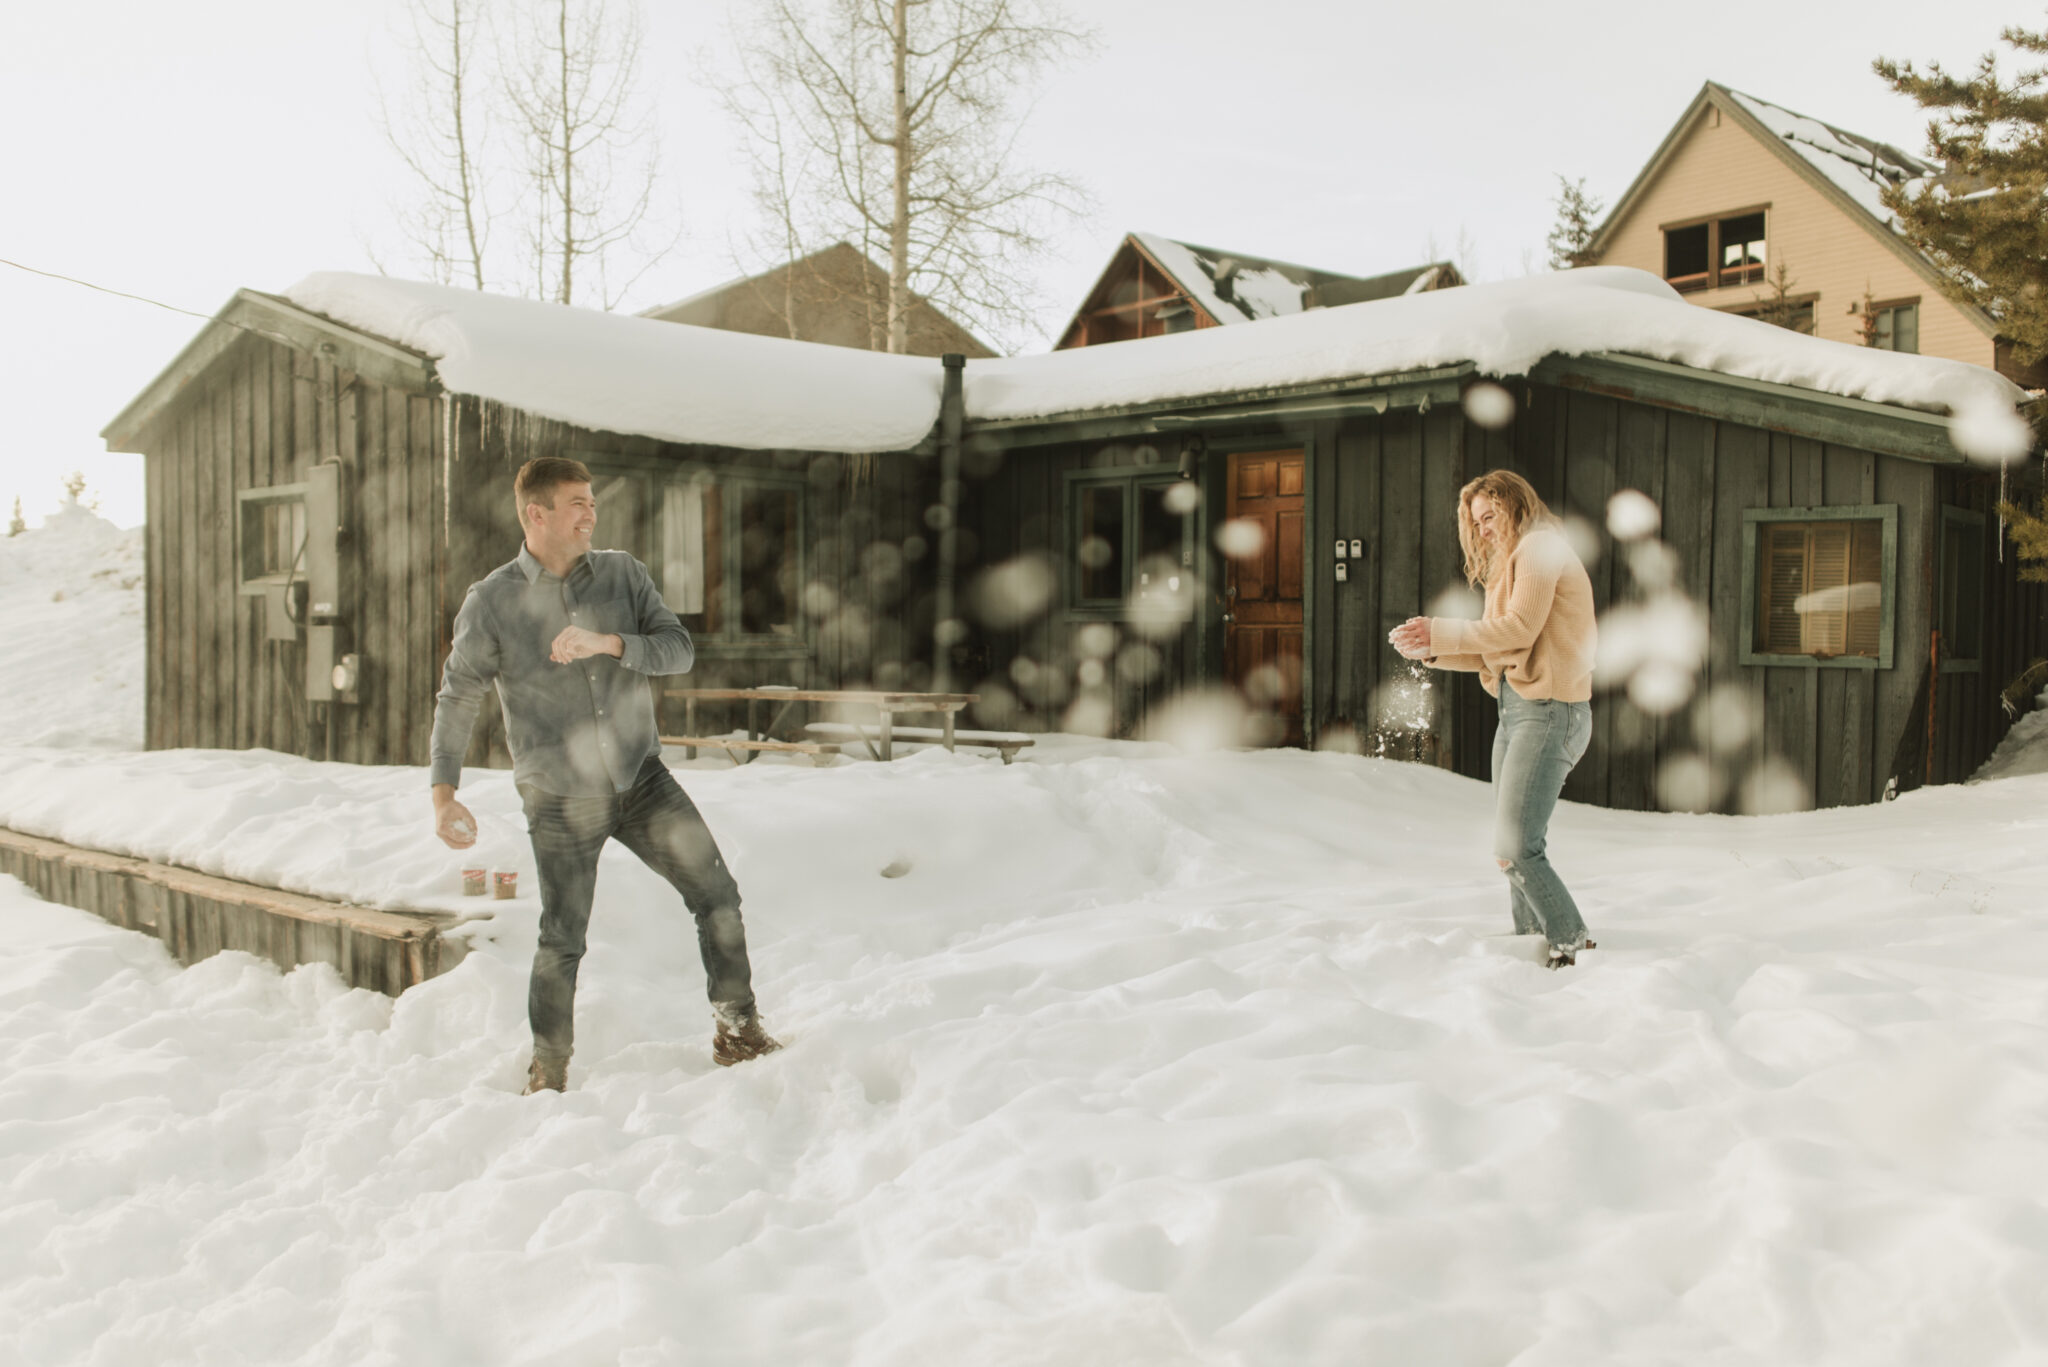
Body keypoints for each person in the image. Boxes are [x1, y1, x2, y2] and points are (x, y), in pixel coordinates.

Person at [429, 456, 781, 1092]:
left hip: (640, 779)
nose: (590, 514)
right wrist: (443, 793)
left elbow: (678, 649)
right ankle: (550, 1067)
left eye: (592, 502)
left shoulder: (623, 574)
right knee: (563, 937)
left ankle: (738, 1029)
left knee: (718, 897)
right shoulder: (493, 601)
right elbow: (458, 694)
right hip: (560, 794)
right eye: (576, 503)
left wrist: (610, 641)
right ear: (536, 514)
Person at [1390, 470, 1599, 968]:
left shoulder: (1540, 549)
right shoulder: (1511, 563)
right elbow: (1498, 649)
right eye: (1475, 522)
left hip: (1549, 713)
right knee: (1513, 849)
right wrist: (1430, 651)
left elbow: (1519, 628)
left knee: (1518, 849)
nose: (1482, 530)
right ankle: (1532, 946)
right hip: (1518, 713)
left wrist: (1440, 630)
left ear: (1516, 506)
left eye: (1490, 516)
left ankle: (1572, 947)